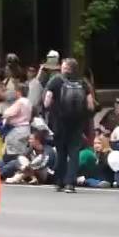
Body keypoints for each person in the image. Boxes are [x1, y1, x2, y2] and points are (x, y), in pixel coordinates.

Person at [42, 57, 94, 194]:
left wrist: (49, 110)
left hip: (59, 122)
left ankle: (59, 182)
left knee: (61, 152)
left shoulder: (56, 80)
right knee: (74, 152)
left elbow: (47, 101)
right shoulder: (83, 82)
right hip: (77, 123)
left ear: (65, 68)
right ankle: (70, 184)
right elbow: (90, 104)